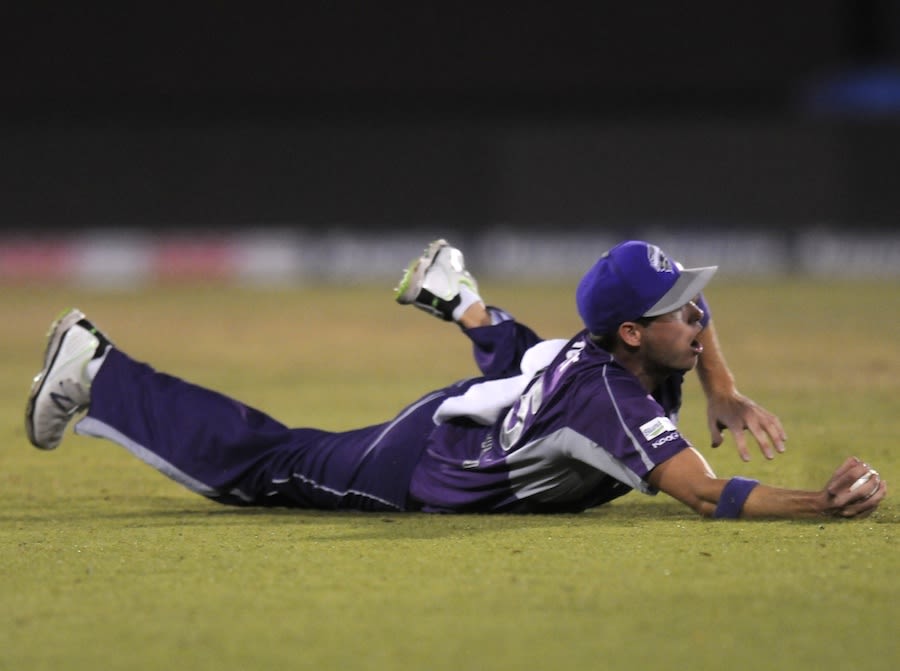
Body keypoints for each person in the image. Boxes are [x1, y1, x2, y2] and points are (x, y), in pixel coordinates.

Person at [25, 239, 886, 518]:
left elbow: (698, 326)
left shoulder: (636, 344)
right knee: (270, 462)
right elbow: (705, 493)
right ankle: (101, 373)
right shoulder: (613, 391)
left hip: (516, 399)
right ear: (633, 331)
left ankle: (465, 303)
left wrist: (723, 389)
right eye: (681, 312)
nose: (699, 321)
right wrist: (822, 501)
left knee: (535, 358)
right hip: (430, 463)